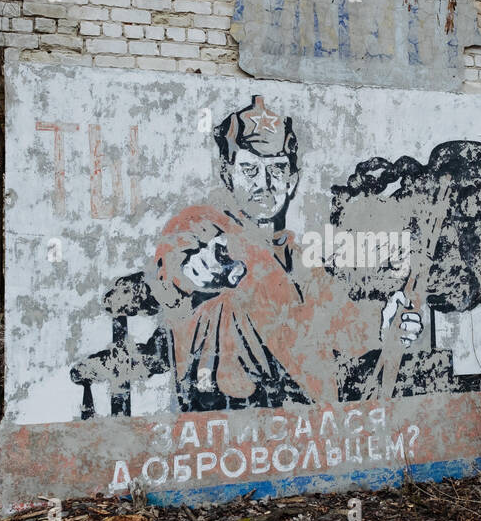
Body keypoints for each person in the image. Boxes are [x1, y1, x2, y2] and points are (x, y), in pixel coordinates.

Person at [148, 95, 421, 410]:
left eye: (277, 169)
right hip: (221, 416)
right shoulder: (202, 224)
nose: (263, 184)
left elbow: (345, 327)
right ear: (227, 173)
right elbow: (173, 267)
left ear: (293, 179)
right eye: (249, 169)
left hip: (296, 428)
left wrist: (386, 326)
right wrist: (196, 271)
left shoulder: (300, 259)